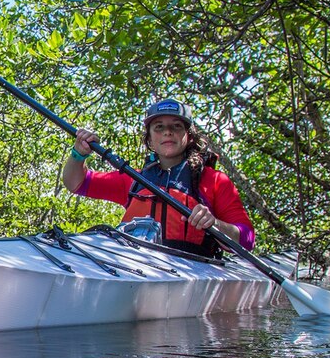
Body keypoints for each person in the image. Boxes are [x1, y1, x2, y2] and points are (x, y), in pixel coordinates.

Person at [61, 99, 254, 258]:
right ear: (150, 139)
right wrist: (78, 154)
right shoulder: (133, 179)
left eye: (176, 126)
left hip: (193, 270)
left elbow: (247, 240)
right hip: (140, 267)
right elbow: (76, 183)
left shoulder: (215, 181)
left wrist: (215, 224)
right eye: (159, 127)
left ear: (188, 135)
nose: (167, 132)